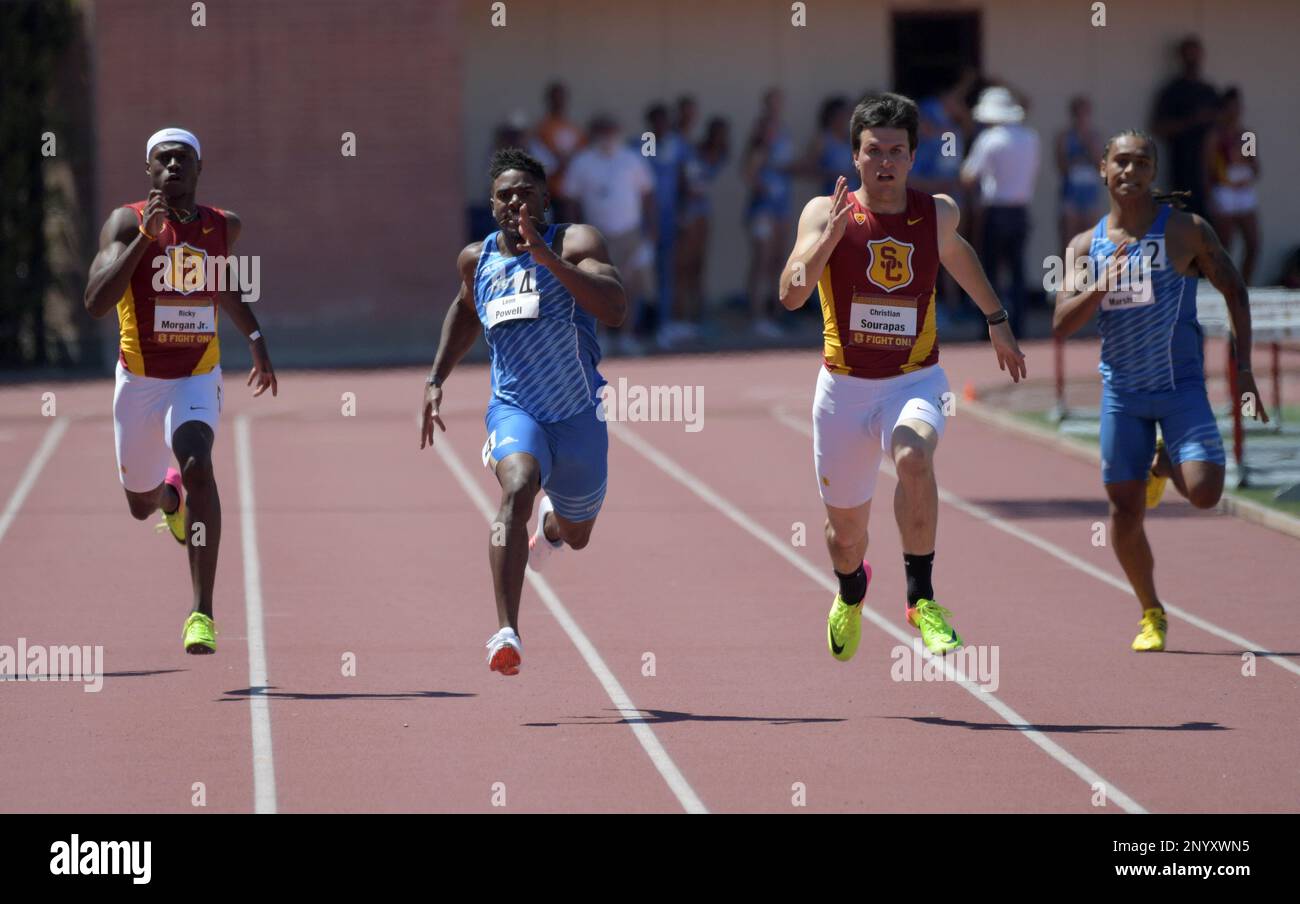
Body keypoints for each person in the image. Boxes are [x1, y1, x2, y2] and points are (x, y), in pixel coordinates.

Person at [778, 93, 1026, 660]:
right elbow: (790, 295)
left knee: (914, 458)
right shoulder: (823, 212)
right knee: (844, 537)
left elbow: (962, 261)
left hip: (914, 380)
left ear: (913, 157)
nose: (884, 162)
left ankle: (922, 598)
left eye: (896, 151)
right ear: (855, 157)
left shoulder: (935, 213)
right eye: (873, 151)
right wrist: (828, 240)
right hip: (843, 390)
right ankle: (851, 587)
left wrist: (998, 321)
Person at [1053, 130, 1267, 652]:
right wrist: (1103, 282)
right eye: (1120, 162)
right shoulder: (1085, 245)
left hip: (1180, 389)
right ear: (1103, 169)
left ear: (1154, 172)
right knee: (1124, 513)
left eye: (1142, 162)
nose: (1130, 171)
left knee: (1205, 492)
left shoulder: (1188, 231)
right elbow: (1061, 323)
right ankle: (1151, 612)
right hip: (1122, 394)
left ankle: (1164, 462)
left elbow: (1234, 290)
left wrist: (1243, 373)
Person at [420, 148, 627, 676]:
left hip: (577, 415)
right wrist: (436, 377)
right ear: (492, 205)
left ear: (545, 199)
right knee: (518, 484)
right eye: (505, 194)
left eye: (526, 192)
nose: (516, 201)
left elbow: (617, 308)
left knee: (579, 534)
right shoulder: (478, 259)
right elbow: (465, 309)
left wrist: (548, 260)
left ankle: (554, 529)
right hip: (517, 411)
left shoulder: (576, 241)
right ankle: (506, 630)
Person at [83, 127, 278, 654]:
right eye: (162, 160)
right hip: (140, 381)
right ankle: (167, 499)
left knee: (200, 465)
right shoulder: (125, 222)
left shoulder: (222, 226)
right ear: (149, 171)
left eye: (182, 159)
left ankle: (201, 612)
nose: (172, 167)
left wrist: (256, 338)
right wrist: (147, 238)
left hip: (195, 374)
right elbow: (96, 303)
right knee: (139, 503)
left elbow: (221, 283)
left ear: (199, 169)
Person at [565, 114, 656, 355]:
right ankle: (601, 337)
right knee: (598, 286)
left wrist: (651, 230)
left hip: (629, 232)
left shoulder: (632, 159)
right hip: (597, 235)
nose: (608, 138)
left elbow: (647, 195)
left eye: (612, 132)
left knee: (631, 286)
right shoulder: (582, 162)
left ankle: (627, 335)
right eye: (603, 132)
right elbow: (571, 199)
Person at [961, 86, 1041, 338]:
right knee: (1018, 270)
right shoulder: (1031, 137)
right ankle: (1019, 325)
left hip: (995, 211)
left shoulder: (989, 139)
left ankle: (991, 327)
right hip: (1020, 210)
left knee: (990, 272)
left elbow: (968, 176)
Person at [745, 89, 797, 340]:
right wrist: (762, 187)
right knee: (762, 261)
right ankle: (757, 316)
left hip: (782, 206)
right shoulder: (760, 132)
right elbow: (748, 171)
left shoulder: (784, 131)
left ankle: (776, 314)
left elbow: (787, 164)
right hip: (764, 208)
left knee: (779, 260)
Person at [674, 116, 730, 342]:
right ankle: (678, 319)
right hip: (687, 214)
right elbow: (683, 184)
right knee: (682, 267)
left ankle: (697, 318)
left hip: (702, 214)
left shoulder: (719, 155)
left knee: (698, 266)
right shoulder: (685, 149)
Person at [1151, 36, 1219, 220]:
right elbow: (1158, 128)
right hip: (1182, 169)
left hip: (1212, 172)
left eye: (1196, 54)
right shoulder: (1172, 91)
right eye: (1188, 55)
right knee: (1184, 223)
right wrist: (1191, 121)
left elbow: (1224, 127)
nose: (1193, 59)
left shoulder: (1209, 91)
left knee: (1212, 228)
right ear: (1181, 57)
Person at [1206, 87, 1260, 285]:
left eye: (1237, 106)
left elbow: (1255, 166)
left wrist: (1246, 165)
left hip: (1243, 190)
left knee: (1253, 243)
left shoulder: (1246, 136)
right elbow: (1209, 168)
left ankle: (1244, 286)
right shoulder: (1215, 136)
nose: (1234, 111)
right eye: (1230, 107)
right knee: (1225, 245)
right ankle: (1225, 287)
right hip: (1224, 191)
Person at [1056, 96, 1103, 254]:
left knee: (1090, 239)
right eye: (1078, 113)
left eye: (1085, 113)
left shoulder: (1095, 137)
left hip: (1089, 191)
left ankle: (1088, 276)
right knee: (1069, 239)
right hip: (1071, 191)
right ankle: (1067, 275)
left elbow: (1101, 166)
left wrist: (1090, 147)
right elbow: (1062, 166)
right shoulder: (1064, 137)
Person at [534, 82, 585, 224]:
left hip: (573, 194)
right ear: (548, 100)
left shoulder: (574, 129)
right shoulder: (541, 129)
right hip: (552, 193)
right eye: (555, 98)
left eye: (561, 98)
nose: (558, 102)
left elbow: (582, 156)